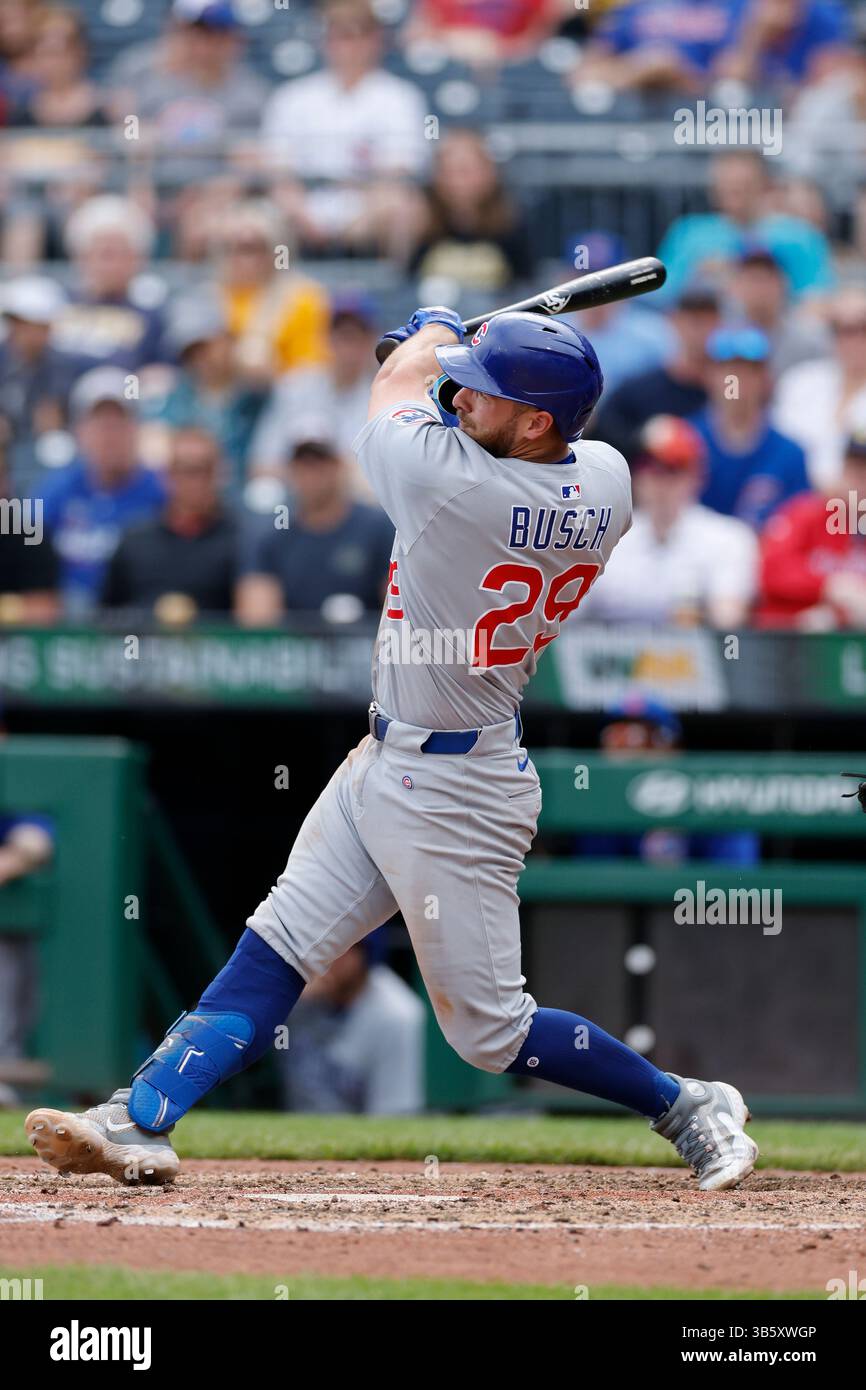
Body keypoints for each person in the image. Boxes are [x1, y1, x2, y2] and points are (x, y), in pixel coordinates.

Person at [26, 307, 758, 1194]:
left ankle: (686, 1103)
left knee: (489, 1032)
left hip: (459, 785)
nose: (462, 397)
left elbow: (393, 388)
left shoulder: (452, 486)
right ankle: (139, 1117)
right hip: (388, 759)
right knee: (279, 941)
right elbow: (456, 403)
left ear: (535, 424)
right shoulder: (605, 477)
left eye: (488, 394)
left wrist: (433, 329)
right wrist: (471, 358)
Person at [261, 0, 428, 257]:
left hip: (371, 205)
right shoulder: (293, 97)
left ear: (376, 40)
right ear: (326, 40)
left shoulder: (400, 97)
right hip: (306, 206)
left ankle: (394, 288)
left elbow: (400, 170)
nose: (350, 46)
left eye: (360, 35)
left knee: (403, 207)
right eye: (341, 36)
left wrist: (362, 217)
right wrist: (304, 215)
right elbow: (279, 170)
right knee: (261, 214)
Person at [579, 414, 757, 627]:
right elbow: (565, 619)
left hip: (693, 656)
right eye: (648, 467)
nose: (659, 481)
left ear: (697, 476)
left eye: (672, 469)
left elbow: (728, 622)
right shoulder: (603, 534)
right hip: (610, 654)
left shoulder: (729, 538)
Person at [40, 367, 166, 614]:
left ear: (136, 429)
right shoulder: (54, 490)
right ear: (80, 431)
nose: (109, 435)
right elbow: (26, 553)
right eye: (99, 423)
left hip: (137, 617)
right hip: (65, 620)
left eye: (119, 423)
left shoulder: (161, 491)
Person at [235, 428, 394, 623]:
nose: (311, 475)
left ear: (338, 466)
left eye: (320, 464)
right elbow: (257, 616)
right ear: (291, 471)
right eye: (303, 465)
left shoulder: (377, 527)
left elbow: (396, 604)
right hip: (295, 647)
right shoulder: (275, 533)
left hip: (366, 645)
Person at [656, 151, 836, 304]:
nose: (734, 195)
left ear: (764, 186)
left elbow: (818, 300)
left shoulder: (800, 236)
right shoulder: (689, 232)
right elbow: (663, 295)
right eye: (727, 186)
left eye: (743, 186)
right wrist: (697, 278)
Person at [101, 426, 240, 619]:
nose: (195, 481)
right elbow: (106, 616)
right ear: (167, 475)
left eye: (204, 469)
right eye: (185, 470)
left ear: (219, 475)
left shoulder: (240, 542)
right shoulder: (135, 540)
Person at [278, 933, 425, 1115]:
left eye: (341, 947)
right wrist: (284, 1001)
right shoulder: (297, 998)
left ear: (366, 954)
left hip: (355, 1135)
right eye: (321, 946)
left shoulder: (395, 1014)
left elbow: (392, 1117)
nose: (329, 957)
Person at [249, 293, 379, 489]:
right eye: (342, 336)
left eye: (356, 337)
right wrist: (312, 474)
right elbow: (261, 465)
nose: (348, 348)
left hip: (353, 505)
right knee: (263, 492)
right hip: (295, 498)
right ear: (327, 339)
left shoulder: (382, 397)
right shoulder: (294, 386)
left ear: (370, 341)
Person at [690, 325, 809, 529]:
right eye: (729, 372)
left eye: (749, 372)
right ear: (710, 376)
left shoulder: (790, 453)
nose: (738, 382)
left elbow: (798, 527)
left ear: (766, 379)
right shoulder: (687, 440)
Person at [592, 284, 721, 457]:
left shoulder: (727, 390)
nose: (701, 331)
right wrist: (642, 438)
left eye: (709, 321)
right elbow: (602, 431)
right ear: (674, 321)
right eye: (694, 321)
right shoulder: (640, 389)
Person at [756, 428, 866, 629]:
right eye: (856, 469)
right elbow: (771, 570)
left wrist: (838, 615)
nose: (860, 481)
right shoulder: (806, 512)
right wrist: (828, 585)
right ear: (843, 469)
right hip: (790, 643)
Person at [212, 200, 331, 385]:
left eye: (250, 248)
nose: (239, 258)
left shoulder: (302, 299)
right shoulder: (211, 297)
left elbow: (310, 370)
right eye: (229, 247)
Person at [405, 129, 533, 294]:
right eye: (448, 172)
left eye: (465, 171)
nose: (457, 182)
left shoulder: (511, 226)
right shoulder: (423, 227)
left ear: (489, 173)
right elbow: (408, 286)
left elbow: (526, 286)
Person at [53, 196, 167, 372]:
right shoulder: (55, 307)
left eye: (120, 254)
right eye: (104, 254)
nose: (111, 265)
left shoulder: (152, 318)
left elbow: (141, 382)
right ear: (81, 257)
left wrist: (133, 392)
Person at [772, 290, 866, 490]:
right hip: (793, 501)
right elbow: (775, 450)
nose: (856, 339)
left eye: (863, 327)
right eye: (844, 329)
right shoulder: (799, 382)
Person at [0, 275, 79, 494]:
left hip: (45, 455)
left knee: (56, 451)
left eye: (38, 326)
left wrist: (58, 425)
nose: (30, 334)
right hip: (8, 454)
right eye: (23, 324)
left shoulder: (65, 367)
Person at [725, 245, 830, 378]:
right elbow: (730, 392)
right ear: (737, 286)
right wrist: (735, 395)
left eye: (767, 279)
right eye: (753, 279)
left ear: (783, 283)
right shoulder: (725, 338)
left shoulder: (809, 340)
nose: (759, 289)